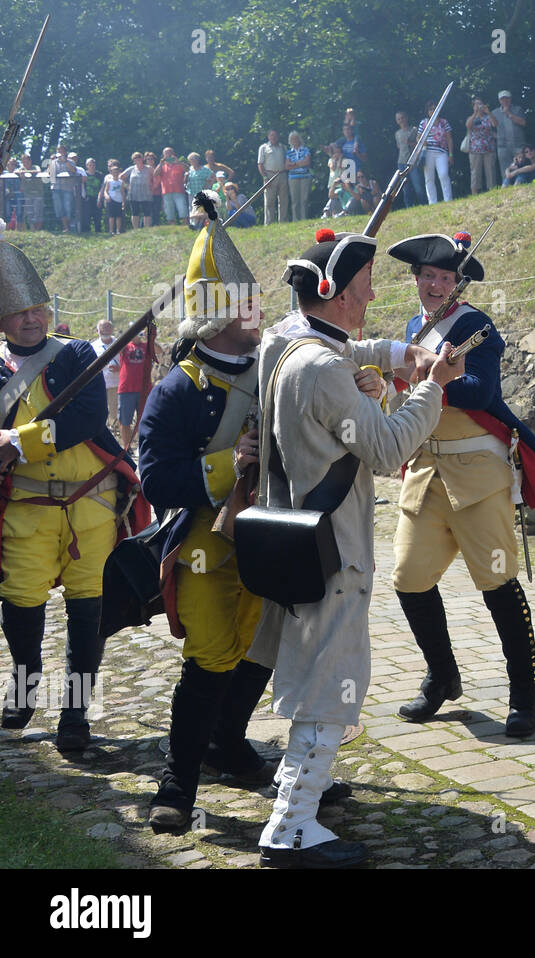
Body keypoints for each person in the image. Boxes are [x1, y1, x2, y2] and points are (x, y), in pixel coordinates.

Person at [250, 226, 461, 868]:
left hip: (290, 538)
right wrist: (433, 387)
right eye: (363, 290)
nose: (370, 299)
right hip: (331, 548)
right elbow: (391, 447)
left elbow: (345, 346)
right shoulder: (322, 369)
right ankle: (290, 826)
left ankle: (295, 810)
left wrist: (399, 356)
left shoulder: (282, 347)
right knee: (332, 684)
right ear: (334, 294)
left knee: (320, 678)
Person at [140, 194, 278, 832]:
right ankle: (179, 781)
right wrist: (229, 462)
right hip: (203, 542)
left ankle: (230, 743)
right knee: (209, 659)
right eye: (247, 302)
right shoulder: (177, 389)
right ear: (220, 314)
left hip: (276, 535)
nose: (259, 310)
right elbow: (155, 476)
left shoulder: (279, 367)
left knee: (261, 649)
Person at [386, 232, 535, 738]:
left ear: (457, 284)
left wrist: (434, 377)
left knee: (498, 584)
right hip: (425, 471)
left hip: (478, 474)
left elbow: (483, 391)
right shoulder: (417, 326)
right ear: (415, 279)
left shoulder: (475, 324)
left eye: (445, 278)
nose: (435, 285)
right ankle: (442, 675)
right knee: (408, 578)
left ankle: (524, 693)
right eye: (428, 276)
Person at [0, 236, 144, 751]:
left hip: (91, 504)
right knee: (19, 605)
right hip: (26, 509)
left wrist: (17, 441)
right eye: (17, 312)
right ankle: (24, 688)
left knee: (89, 613)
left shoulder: (77, 353)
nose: (31, 319)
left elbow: (85, 418)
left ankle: (76, 714)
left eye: (36, 308)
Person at [421, 100, 454, 204]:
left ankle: (448, 199)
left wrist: (451, 154)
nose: (433, 111)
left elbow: (449, 139)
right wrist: (422, 142)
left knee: (443, 174)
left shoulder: (444, 122)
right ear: (427, 111)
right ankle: (432, 202)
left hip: (442, 152)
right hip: (428, 153)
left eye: (435, 109)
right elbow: (418, 138)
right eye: (430, 109)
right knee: (429, 178)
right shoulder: (424, 123)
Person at [492, 91, 527, 187]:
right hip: (503, 146)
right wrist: (497, 137)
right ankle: (506, 186)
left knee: (520, 165)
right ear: (499, 101)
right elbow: (490, 129)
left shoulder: (518, 109)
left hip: (518, 144)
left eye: (507, 98)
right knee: (505, 168)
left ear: (510, 99)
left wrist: (509, 114)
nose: (505, 100)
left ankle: (520, 183)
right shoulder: (494, 112)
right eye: (502, 99)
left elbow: (523, 123)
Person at [465, 97, 498, 195]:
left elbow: (495, 124)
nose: (478, 106)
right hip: (475, 149)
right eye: (476, 104)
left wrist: (488, 112)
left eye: (480, 104)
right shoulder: (471, 117)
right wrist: (475, 113)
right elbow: (468, 125)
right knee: (475, 172)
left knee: (490, 171)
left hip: (489, 148)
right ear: (473, 106)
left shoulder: (488, 117)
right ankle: (475, 193)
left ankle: (492, 191)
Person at [89, 319, 118, 430]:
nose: (105, 330)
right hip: (98, 384)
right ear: (98, 330)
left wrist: (119, 368)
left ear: (112, 329)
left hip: (116, 384)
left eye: (108, 327)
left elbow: (126, 362)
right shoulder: (93, 346)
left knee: (114, 410)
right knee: (100, 410)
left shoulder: (120, 343)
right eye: (103, 328)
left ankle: (114, 432)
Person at [257, 129, 289, 225]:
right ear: (268, 137)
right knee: (269, 201)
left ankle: (283, 222)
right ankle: (269, 223)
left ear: (278, 137)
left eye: (275, 135)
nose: (273, 137)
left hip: (282, 174)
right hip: (269, 175)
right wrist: (265, 177)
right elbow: (260, 164)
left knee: (284, 200)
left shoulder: (283, 147)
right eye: (271, 135)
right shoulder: (263, 147)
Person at [45, 144, 78, 233]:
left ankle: (70, 226)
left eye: (62, 150)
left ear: (65, 152)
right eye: (58, 150)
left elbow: (74, 171)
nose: (60, 152)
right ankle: (65, 227)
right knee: (59, 208)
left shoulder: (71, 162)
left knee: (68, 208)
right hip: (56, 188)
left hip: (67, 188)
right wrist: (50, 164)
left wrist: (65, 162)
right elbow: (48, 173)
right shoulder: (53, 162)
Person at [393, 113, 422, 208]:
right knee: (405, 187)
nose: (401, 120)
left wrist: (410, 143)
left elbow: (420, 144)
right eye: (399, 119)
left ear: (406, 118)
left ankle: (424, 204)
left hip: (412, 162)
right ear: (397, 121)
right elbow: (398, 146)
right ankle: (408, 207)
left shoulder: (414, 130)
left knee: (418, 186)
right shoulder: (397, 133)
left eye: (402, 117)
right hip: (401, 162)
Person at [285, 131, 312, 221]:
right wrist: (301, 163)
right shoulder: (289, 152)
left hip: (305, 176)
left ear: (299, 139)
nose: (294, 140)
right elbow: (287, 166)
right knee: (295, 200)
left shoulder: (305, 150)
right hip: (293, 178)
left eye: (296, 138)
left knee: (304, 199)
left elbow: (307, 162)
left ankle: (304, 218)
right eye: (292, 139)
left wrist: (294, 164)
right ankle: (295, 220)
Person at [123, 152, 153, 230]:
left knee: (147, 212)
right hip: (133, 194)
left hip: (146, 193)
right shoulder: (131, 169)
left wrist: (153, 186)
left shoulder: (149, 168)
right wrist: (126, 185)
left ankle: (147, 229)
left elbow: (156, 176)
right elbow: (120, 177)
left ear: (142, 159)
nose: (137, 159)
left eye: (139, 157)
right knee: (135, 212)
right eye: (135, 158)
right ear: (133, 160)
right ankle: (135, 229)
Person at [100, 159, 125, 235]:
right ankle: (111, 230)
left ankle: (118, 230)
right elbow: (105, 190)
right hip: (111, 200)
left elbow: (122, 192)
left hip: (119, 200)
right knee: (111, 216)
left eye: (116, 172)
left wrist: (123, 201)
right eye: (113, 172)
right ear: (111, 172)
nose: (115, 173)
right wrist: (106, 196)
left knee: (118, 216)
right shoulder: (109, 181)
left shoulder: (121, 182)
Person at [81, 158, 102, 234]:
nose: (92, 166)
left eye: (93, 165)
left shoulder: (99, 175)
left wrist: (99, 198)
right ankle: (86, 231)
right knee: (86, 216)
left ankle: (98, 231)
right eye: (90, 165)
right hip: (87, 198)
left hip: (97, 198)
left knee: (98, 215)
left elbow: (102, 187)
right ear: (87, 166)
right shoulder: (83, 175)